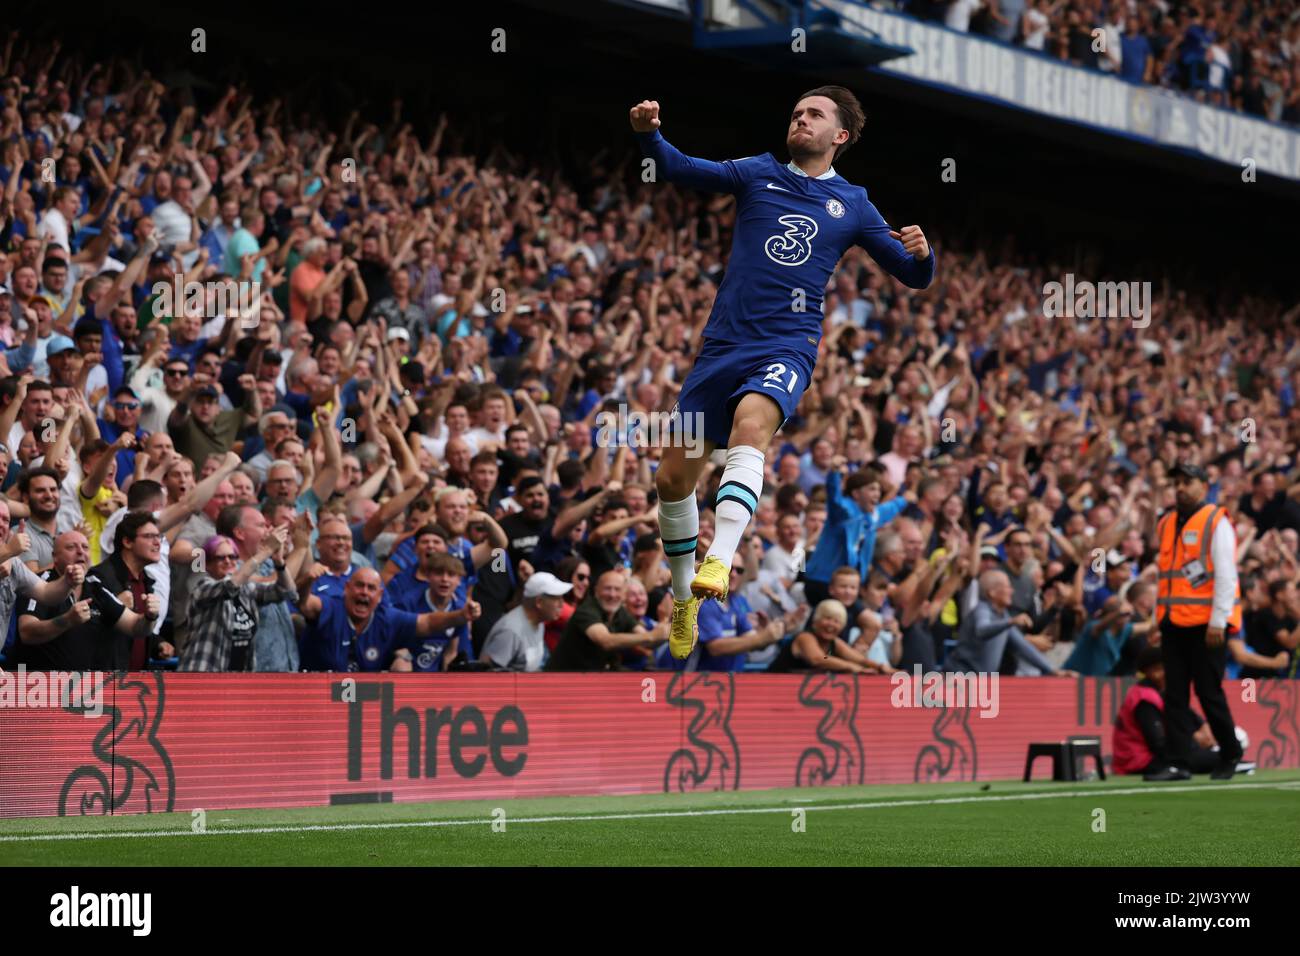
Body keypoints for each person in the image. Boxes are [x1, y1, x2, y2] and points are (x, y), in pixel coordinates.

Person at [630, 87, 934, 659]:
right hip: (721, 347)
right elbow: (677, 166)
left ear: (840, 136)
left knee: (751, 427)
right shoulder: (756, 173)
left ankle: (719, 556)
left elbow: (912, 277)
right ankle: (681, 596)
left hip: (786, 344)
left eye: (814, 114)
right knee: (672, 480)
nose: (800, 117)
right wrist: (649, 133)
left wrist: (921, 254)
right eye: (796, 110)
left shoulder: (855, 203)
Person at [1153, 462, 1244, 779]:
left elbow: (1226, 575)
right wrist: (1158, 619)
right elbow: (1167, 577)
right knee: (1174, 694)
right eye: (1175, 482)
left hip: (1207, 626)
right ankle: (1177, 762)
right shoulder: (1165, 523)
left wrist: (1219, 620)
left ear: (1204, 486)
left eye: (1187, 482)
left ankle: (1231, 752)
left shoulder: (1216, 522)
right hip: (1172, 621)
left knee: (1208, 692)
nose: (1179, 488)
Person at [17, 529, 161, 671]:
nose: (80, 552)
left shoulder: (95, 585)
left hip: (85, 689)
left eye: (85, 547)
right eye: (71, 547)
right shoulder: (40, 583)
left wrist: (149, 617)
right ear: (55, 557)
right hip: (39, 687)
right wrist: (67, 620)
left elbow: (135, 627)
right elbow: (27, 633)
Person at [179, 528, 294, 672]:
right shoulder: (203, 587)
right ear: (207, 564)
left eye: (232, 556)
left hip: (236, 681)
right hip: (202, 677)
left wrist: (279, 562)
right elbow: (230, 585)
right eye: (220, 558)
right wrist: (266, 551)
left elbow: (286, 592)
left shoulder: (247, 589)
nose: (228, 561)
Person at [1114, 646, 1229, 781]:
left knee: (1219, 753)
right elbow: (1158, 743)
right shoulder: (1143, 699)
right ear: (1154, 671)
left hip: (1161, 756)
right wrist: (1193, 743)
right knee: (1217, 757)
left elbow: (1192, 718)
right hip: (1141, 762)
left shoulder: (1164, 693)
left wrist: (1204, 728)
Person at [545, 569, 668, 671]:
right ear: (596, 590)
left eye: (617, 589)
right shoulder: (587, 611)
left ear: (624, 593)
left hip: (594, 677)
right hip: (564, 680)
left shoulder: (620, 612)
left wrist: (668, 627)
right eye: (607, 589)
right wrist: (652, 635)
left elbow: (647, 641)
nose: (612, 594)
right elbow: (606, 641)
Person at [480, 571, 572, 671]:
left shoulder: (539, 621)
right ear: (539, 602)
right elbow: (486, 673)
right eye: (557, 599)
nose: (562, 605)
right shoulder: (510, 632)